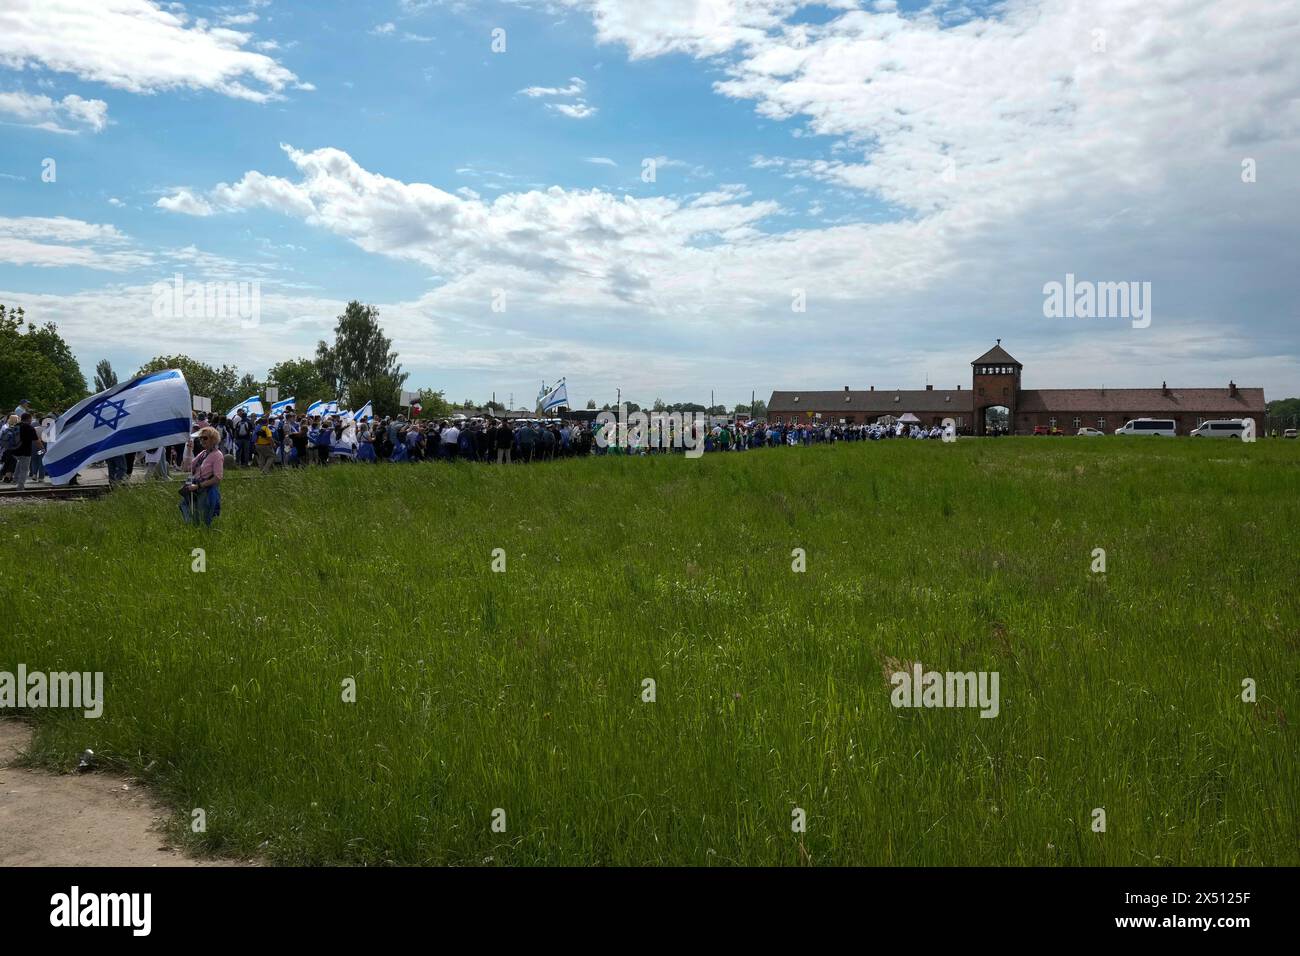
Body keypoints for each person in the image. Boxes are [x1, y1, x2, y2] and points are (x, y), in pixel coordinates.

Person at [180, 426, 223, 526]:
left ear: (213, 439)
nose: (202, 440)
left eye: (205, 438)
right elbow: (187, 468)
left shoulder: (217, 455)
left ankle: (202, 535)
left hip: (206, 490)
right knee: (184, 506)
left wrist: (198, 486)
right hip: (195, 488)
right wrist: (189, 450)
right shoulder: (203, 453)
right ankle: (192, 529)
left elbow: (217, 478)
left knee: (202, 517)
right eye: (200, 438)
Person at [12, 412, 41, 491]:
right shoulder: (29, 428)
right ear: (28, 419)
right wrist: (42, 449)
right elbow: (36, 441)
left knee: (19, 462)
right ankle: (20, 487)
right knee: (24, 469)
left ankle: (15, 479)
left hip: (14, 451)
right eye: (31, 418)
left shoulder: (16, 426)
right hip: (25, 451)